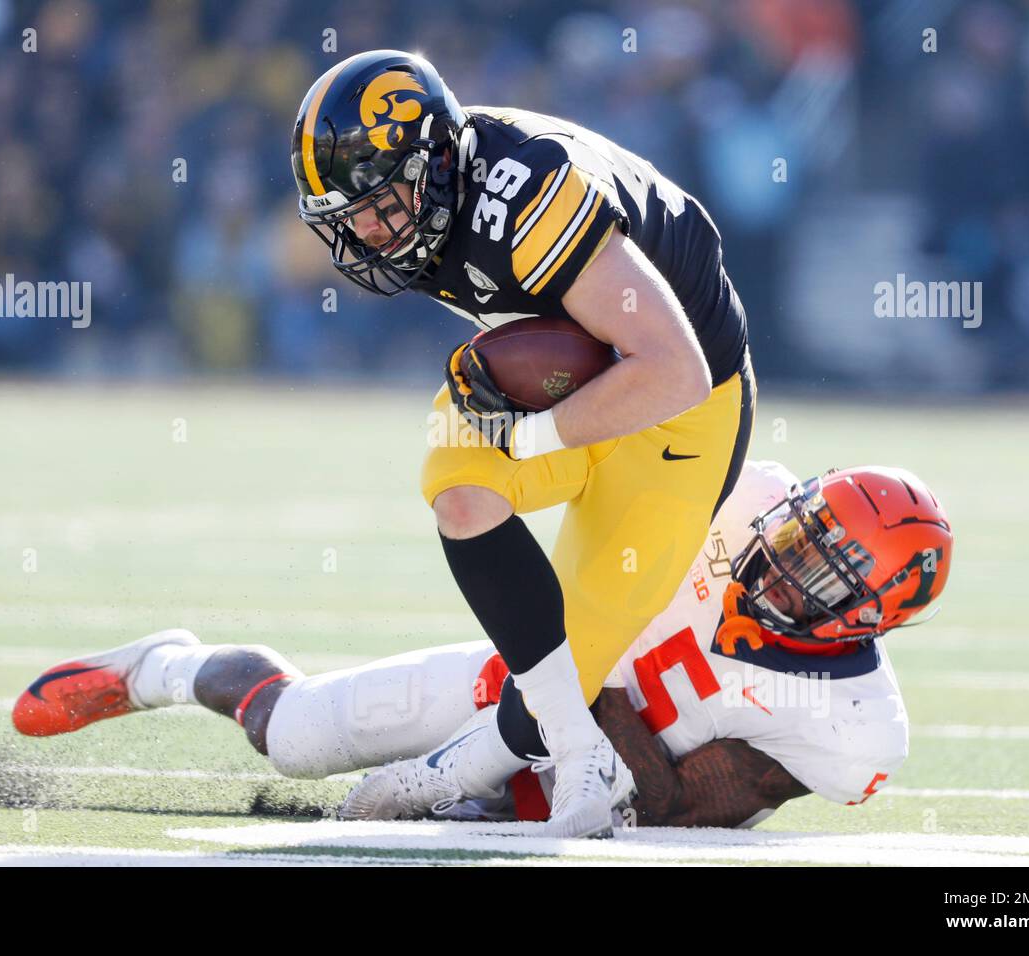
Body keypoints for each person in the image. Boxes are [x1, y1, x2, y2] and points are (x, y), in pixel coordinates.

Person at [285, 49, 755, 836]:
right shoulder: (430, 198)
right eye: (346, 217)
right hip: (578, 373)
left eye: (378, 203)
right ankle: (585, 757)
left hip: (679, 414)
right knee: (459, 490)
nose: (365, 231)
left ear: (435, 164)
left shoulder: (527, 199)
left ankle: (454, 772)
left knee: (549, 683)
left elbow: (673, 370)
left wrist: (534, 435)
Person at [12, 461, 953, 830]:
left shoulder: (854, 728)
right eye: (796, 536)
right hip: (516, 680)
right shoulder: (736, 491)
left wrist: (477, 775)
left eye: (823, 576)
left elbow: (675, 805)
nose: (783, 565)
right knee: (293, 737)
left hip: (607, 811)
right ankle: (163, 666)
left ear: (871, 616)